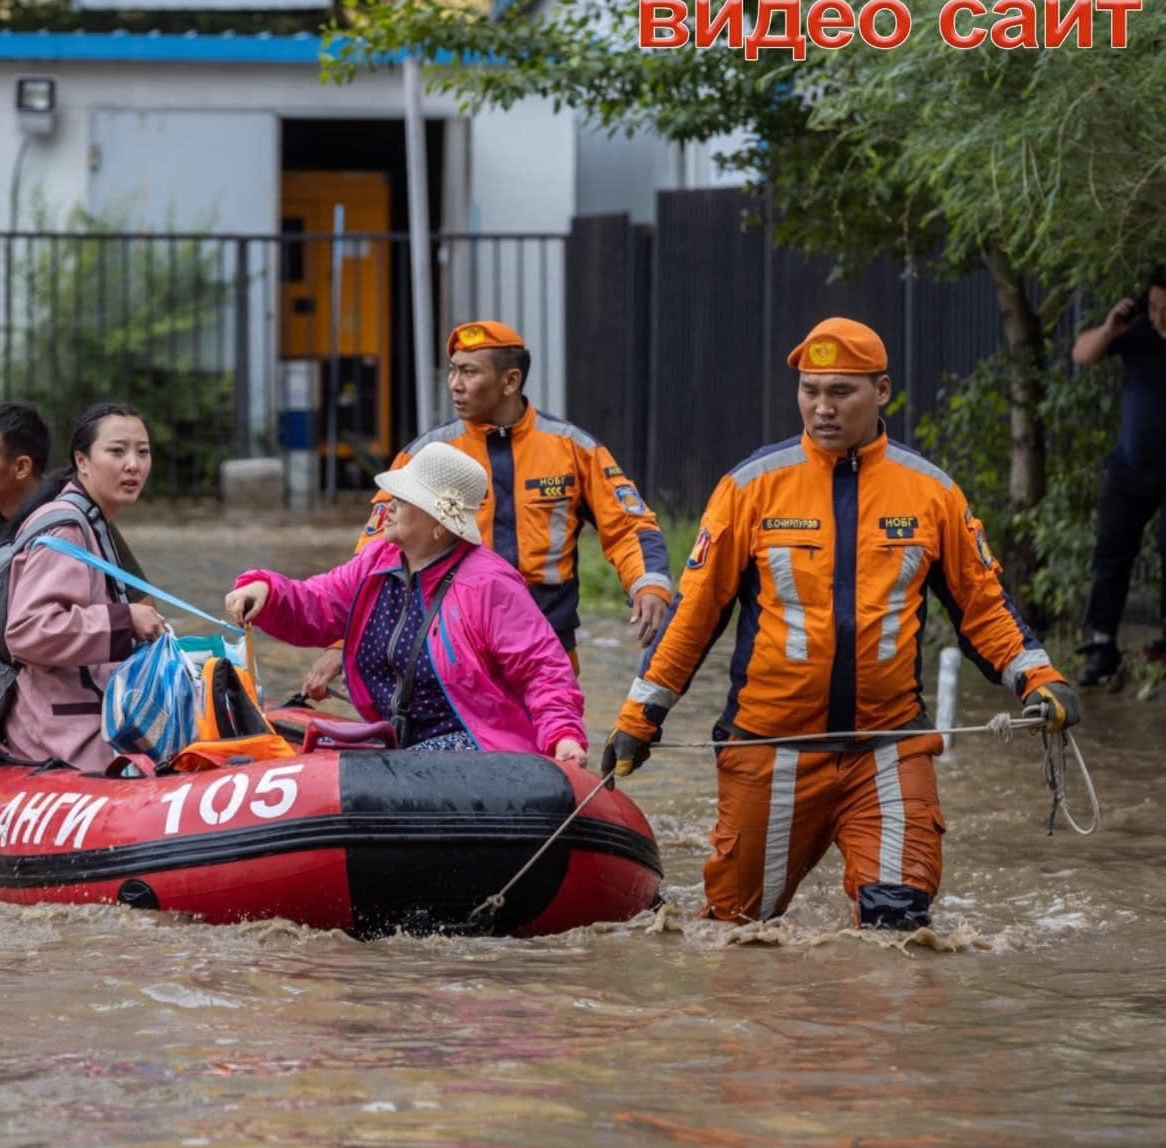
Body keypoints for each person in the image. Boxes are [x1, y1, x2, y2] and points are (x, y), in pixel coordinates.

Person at [600, 317, 1083, 931]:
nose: (821, 408)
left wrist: (1040, 679)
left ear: (881, 392)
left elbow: (985, 609)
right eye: (810, 391)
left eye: (840, 392)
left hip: (886, 749)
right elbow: (693, 617)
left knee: (899, 936)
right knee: (732, 933)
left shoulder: (932, 493)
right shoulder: (749, 487)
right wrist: (639, 718)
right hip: (768, 751)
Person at [299, 319, 670, 699]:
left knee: (552, 743)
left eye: (469, 372)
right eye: (453, 370)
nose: (455, 384)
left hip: (547, 651)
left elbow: (628, 526)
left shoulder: (572, 449)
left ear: (510, 382)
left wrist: (648, 584)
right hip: (448, 652)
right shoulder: (425, 456)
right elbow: (377, 555)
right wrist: (341, 644)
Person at [226, 442, 587, 762]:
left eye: (402, 499)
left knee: (383, 771)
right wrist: (267, 592)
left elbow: (542, 667)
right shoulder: (377, 561)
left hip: (481, 748)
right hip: (400, 743)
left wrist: (564, 734)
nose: (388, 507)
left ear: (439, 524)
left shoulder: (489, 584)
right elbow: (319, 602)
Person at [0, 402, 149, 697]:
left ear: (22, 467)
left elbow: (141, 604)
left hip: (56, 680)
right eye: (116, 451)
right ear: (81, 461)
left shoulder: (74, 516)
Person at [0, 404, 170, 769]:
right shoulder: (67, 528)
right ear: (83, 461)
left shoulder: (93, 521)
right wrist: (125, 620)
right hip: (58, 736)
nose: (133, 465)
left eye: (143, 452)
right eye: (117, 451)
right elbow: (28, 631)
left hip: (90, 718)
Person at [1070, 269, 1166, 686]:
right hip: (1131, 464)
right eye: (1155, 307)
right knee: (1110, 552)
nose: (1160, 317)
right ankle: (1102, 646)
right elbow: (1082, 354)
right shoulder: (1138, 333)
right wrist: (1111, 327)